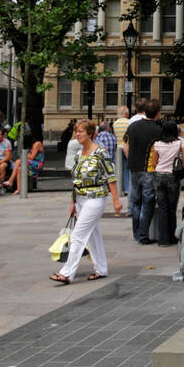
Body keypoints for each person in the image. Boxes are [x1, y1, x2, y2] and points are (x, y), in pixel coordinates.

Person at [50, 119, 122, 283]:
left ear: (90, 134)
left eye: (81, 132)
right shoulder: (78, 154)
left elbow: (111, 177)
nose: (77, 134)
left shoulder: (101, 152)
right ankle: (101, 268)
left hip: (96, 198)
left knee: (78, 235)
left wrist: (116, 200)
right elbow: (75, 180)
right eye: (76, 131)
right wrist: (72, 202)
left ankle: (67, 272)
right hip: (81, 198)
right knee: (93, 235)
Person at [148, 120, 184, 247]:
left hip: (159, 176)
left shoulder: (157, 144)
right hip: (172, 177)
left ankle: (163, 239)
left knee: (162, 208)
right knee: (172, 209)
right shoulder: (179, 143)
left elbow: (154, 163)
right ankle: (172, 236)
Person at [126, 100, 162, 244]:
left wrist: (131, 159)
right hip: (149, 169)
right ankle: (143, 235)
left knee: (136, 201)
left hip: (134, 168)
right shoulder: (158, 129)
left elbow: (125, 147)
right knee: (148, 202)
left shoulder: (133, 126)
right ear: (158, 113)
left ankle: (136, 233)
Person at [113, 105, 130, 194]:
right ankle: (128, 188)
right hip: (128, 148)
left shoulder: (115, 124)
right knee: (128, 168)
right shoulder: (129, 122)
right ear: (126, 113)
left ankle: (122, 188)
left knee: (121, 169)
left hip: (119, 148)